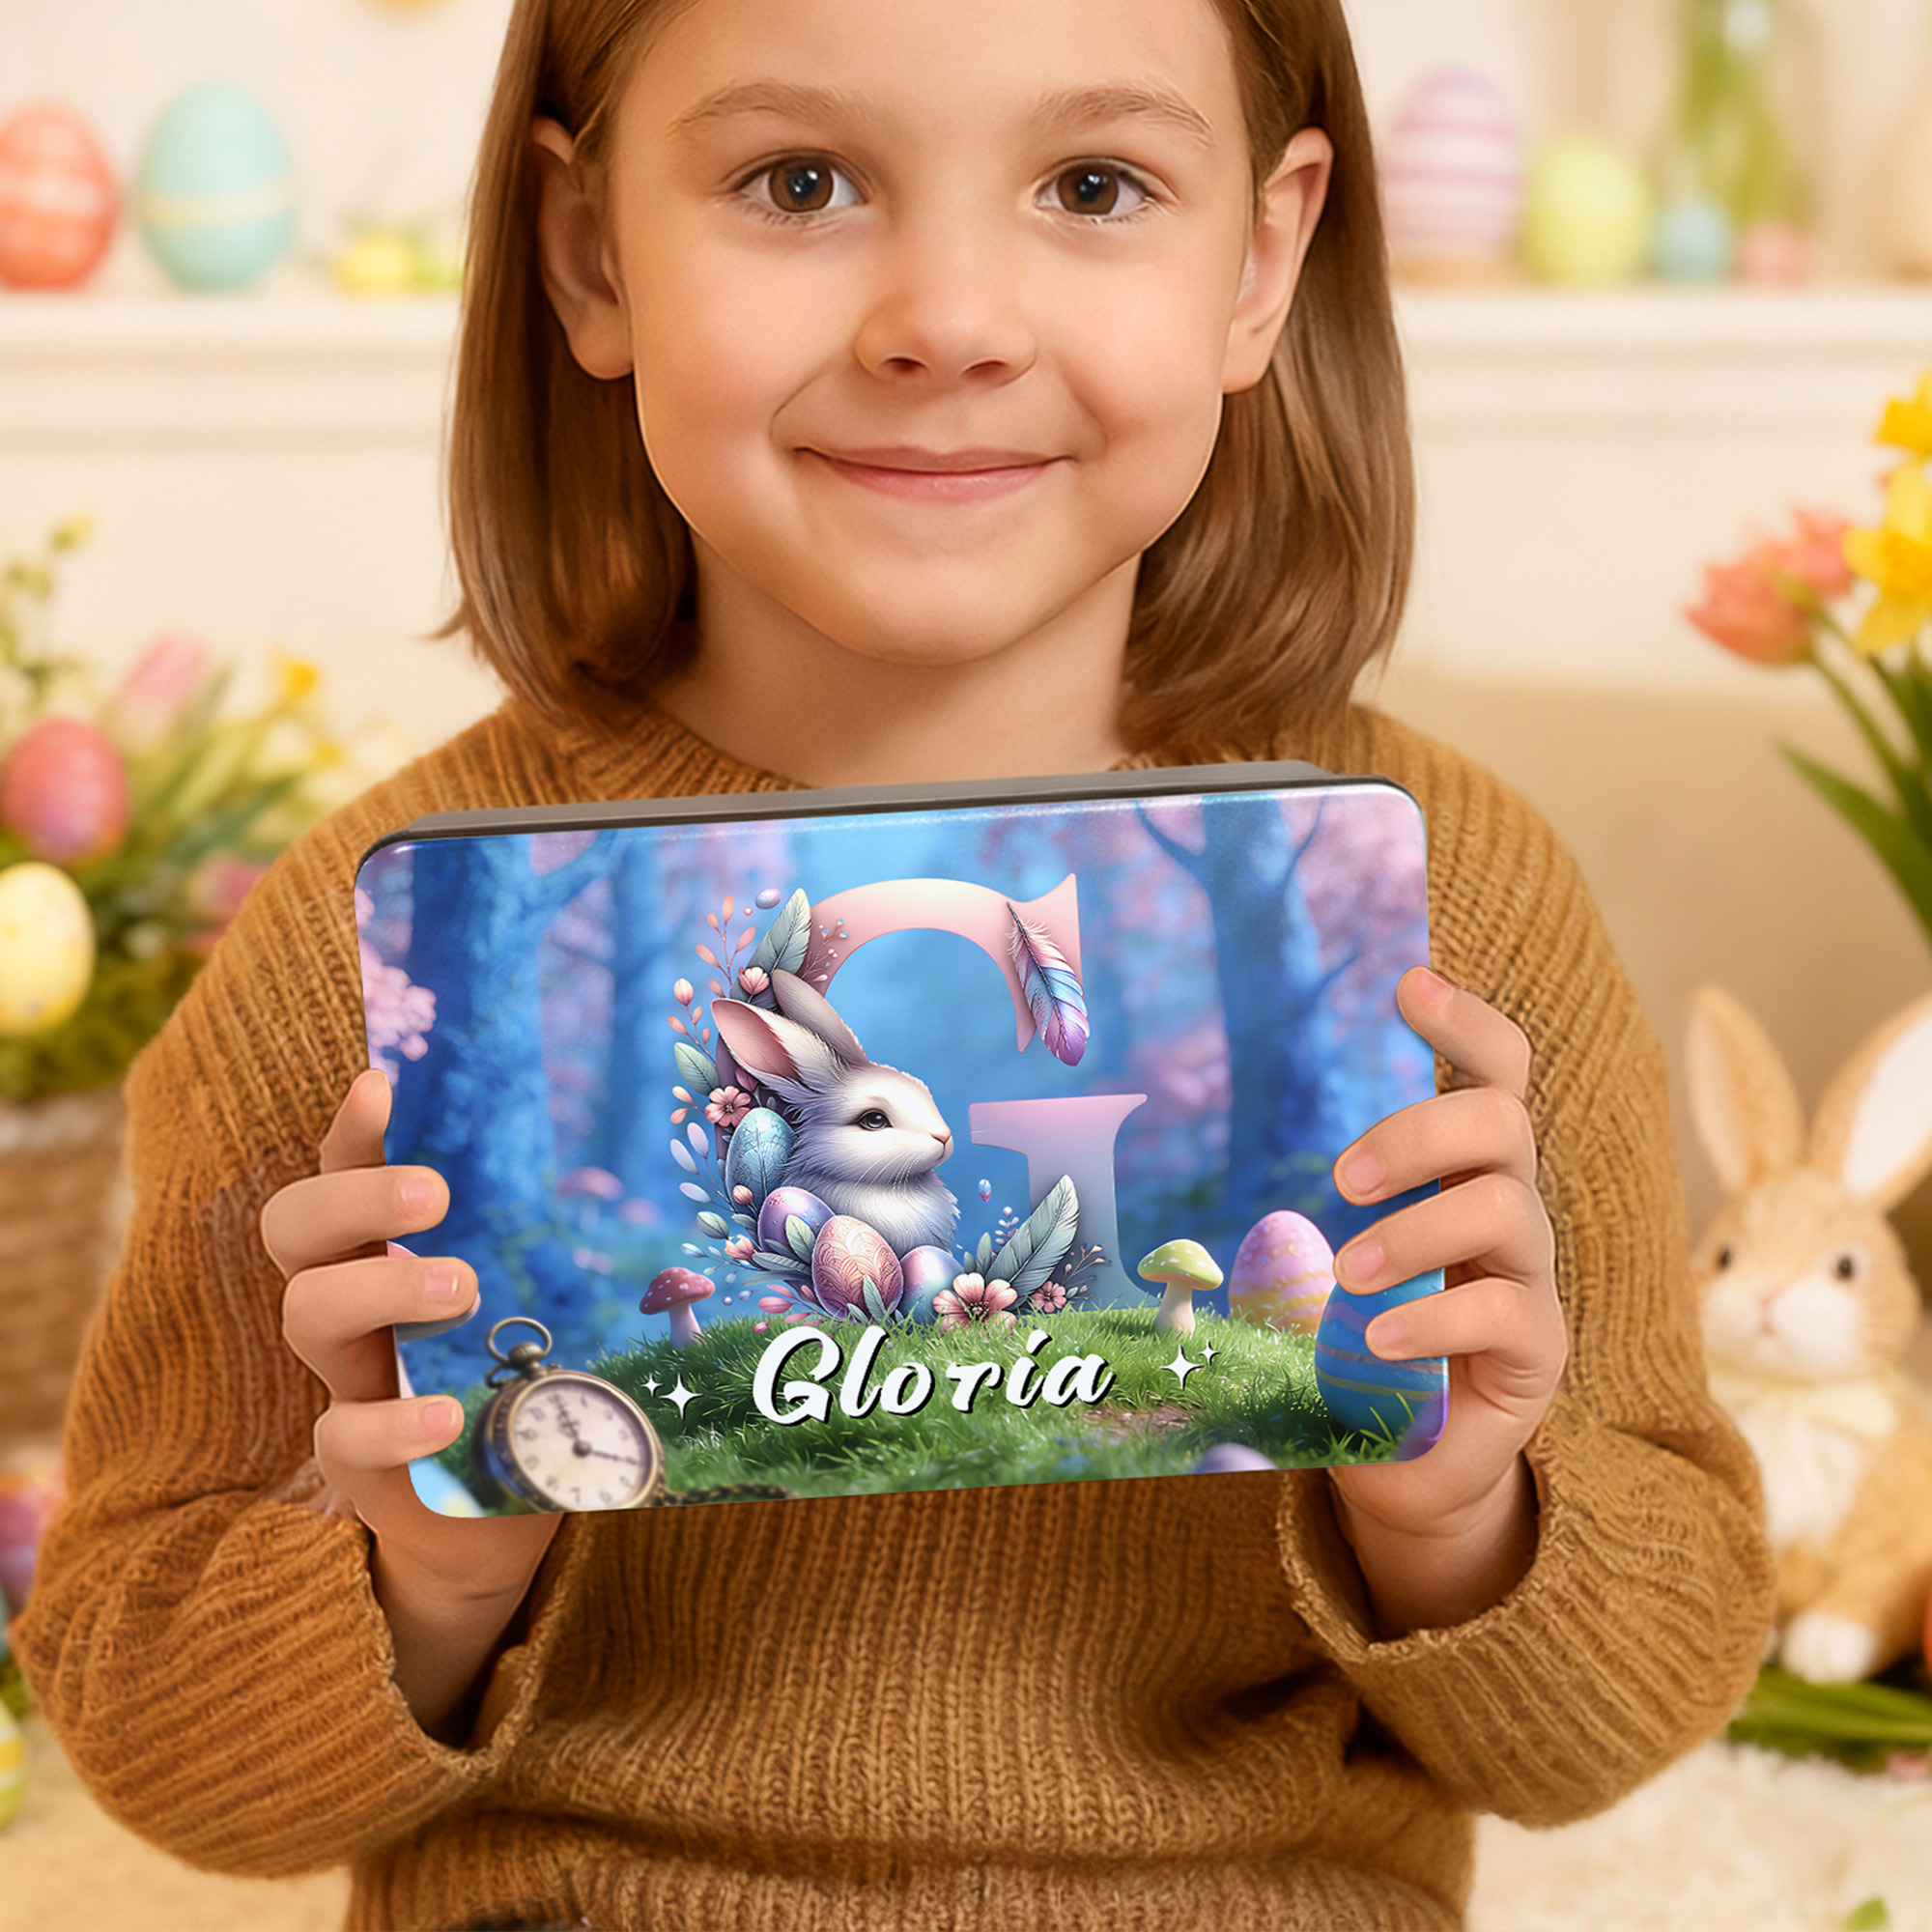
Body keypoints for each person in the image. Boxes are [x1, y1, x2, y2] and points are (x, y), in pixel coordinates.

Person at [16, 0, 1775, 1926]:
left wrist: (1460, 1518)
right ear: (591, 253)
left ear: (1260, 261)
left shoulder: (1456, 913)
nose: (947, 317)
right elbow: (159, 1738)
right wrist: (420, 1573)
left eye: (1092, 184)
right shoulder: (384, 955)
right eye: (800, 182)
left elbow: (1636, 1699)